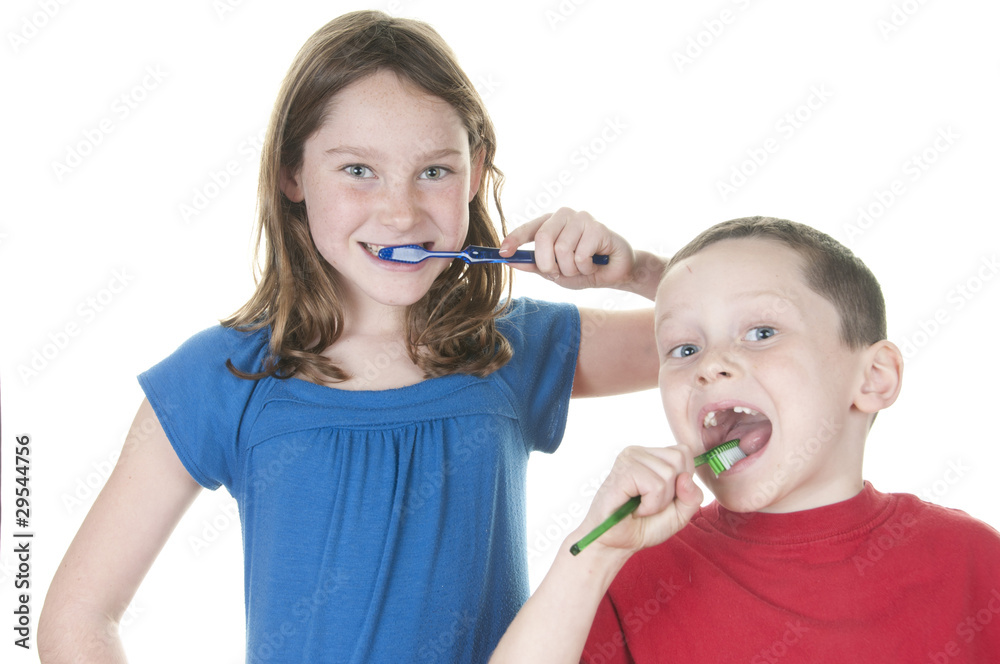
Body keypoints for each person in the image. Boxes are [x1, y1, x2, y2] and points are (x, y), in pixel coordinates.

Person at [37, 11, 668, 663]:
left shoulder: (517, 348)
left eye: (435, 171)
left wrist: (642, 273)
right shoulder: (223, 376)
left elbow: (717, 348)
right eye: (358, 170)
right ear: (293, 174)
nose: (400, 213)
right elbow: (78, 615)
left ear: (475, 171)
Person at [490, 216, 1000, 663]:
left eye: (762, 333)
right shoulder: (634, 575)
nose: (710, 365)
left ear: (874, 377)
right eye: (684, 348)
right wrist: (591, 558)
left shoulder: (973, 562)